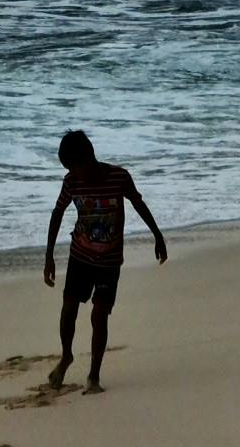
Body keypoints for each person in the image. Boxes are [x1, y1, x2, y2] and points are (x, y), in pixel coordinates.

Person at [39, 130, 165, 392]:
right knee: (69, 308)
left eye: (74, 166)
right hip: (80, 256)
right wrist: (49, 255)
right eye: (68, 168)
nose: (72, 172)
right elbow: (58, 212)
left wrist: (157, 235)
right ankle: (66, 356)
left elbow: (138, 203)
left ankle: (94, 376)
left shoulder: (118, 177)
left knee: (99, 315)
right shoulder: (71, 182)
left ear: (89, 156)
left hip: (109, 261)